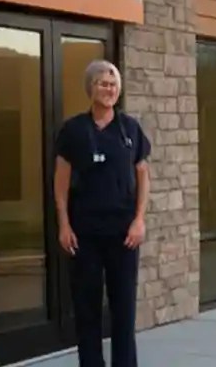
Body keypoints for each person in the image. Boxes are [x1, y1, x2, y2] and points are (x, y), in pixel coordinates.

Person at [54, 59, 151, 367]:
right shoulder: (73, 131)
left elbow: (143, 176)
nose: (109, 89)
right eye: (102, 83)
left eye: (113, 84)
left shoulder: (130, 129)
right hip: (85, 236)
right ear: (90, 88)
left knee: (124, 314)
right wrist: (64, 224)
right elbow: (61, 182)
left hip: (124, 236)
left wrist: (139, 220)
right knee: (87, 313)